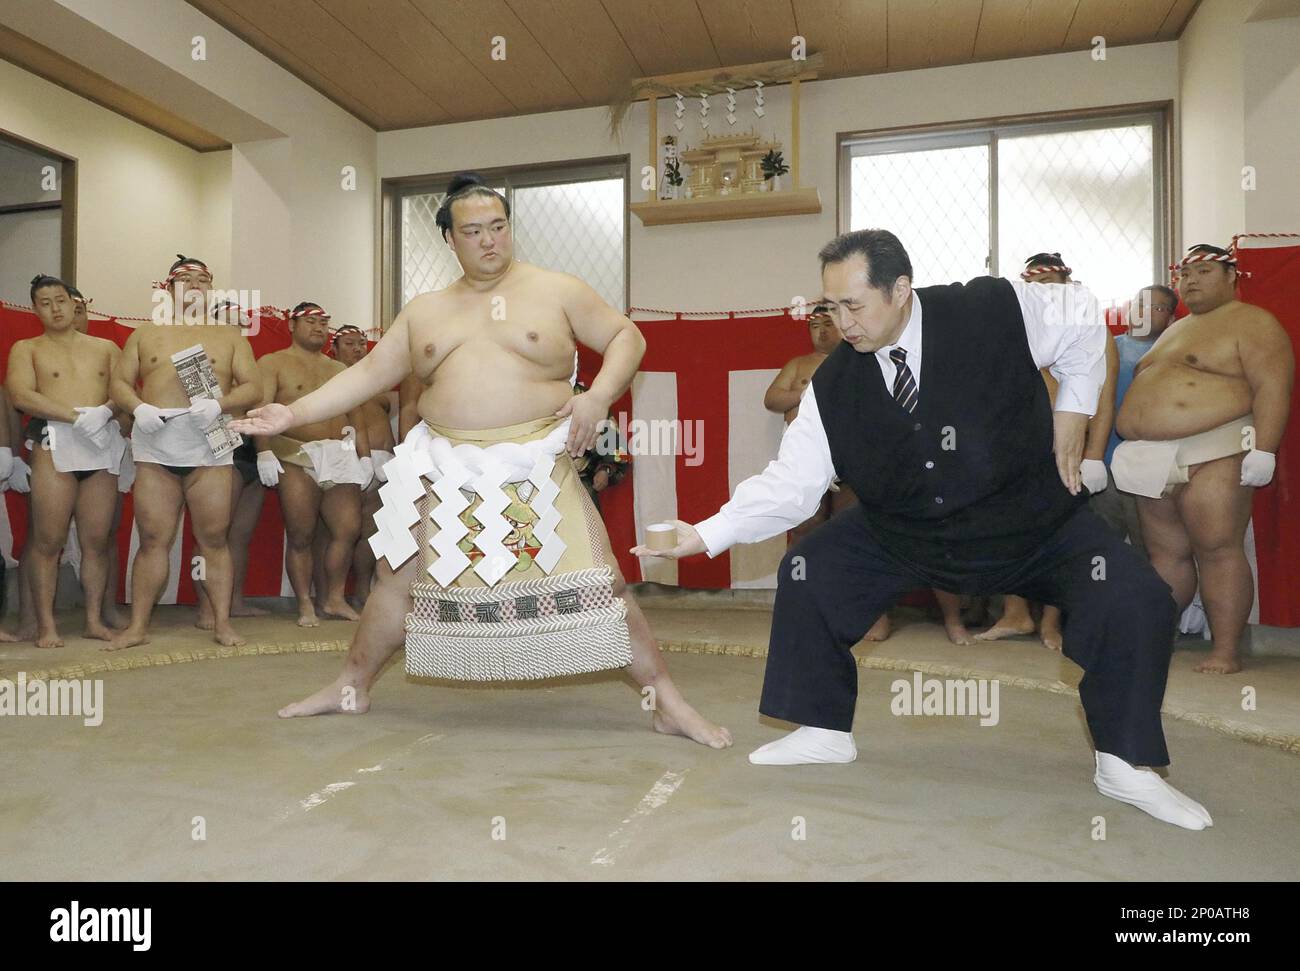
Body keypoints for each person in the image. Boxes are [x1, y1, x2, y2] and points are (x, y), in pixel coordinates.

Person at [635, 229, 1213, 830]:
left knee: (1137, 599)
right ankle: (823, 729)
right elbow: (791, 485)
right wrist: (703, 534)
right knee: (813, 568)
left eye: (853, 305)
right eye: (831, 307)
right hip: (906, 530)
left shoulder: (990, 306)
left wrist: (1074, 407)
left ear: (901, 290)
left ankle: (1123, 762)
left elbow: (1081, 312)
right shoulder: (833, 384)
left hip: (1032, 523)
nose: (842, 323)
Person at [232, 172, 730, 749]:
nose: (490, 240)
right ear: (450, 239)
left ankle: (665, 703)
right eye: (474, 231)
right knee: (395, 582)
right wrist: (290, 418)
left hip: (537, 460)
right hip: (442, 462)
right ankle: (352, 686)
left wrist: (597, 397)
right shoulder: (425, 310)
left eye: (499, 227)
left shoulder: (556, 289)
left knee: (605, 583)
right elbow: (368, 375)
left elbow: (627, 337)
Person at [1116, 244, 1294, 674]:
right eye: (1185, 274)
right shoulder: (1175, 330)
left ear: (1233, 276)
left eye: (1205, 271)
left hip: (1216, 445)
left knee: (1217, 548)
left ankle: (1226, 651)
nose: (1191, 280)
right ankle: (1160, 637)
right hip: (1150, 454)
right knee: (1165, 556)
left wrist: (1265, 449)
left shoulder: (1253, 322)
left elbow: (1273, 386)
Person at [767, 304, 972, 644]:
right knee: (804, 531)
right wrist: (806, 395)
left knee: (869, 536)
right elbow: (772, 398)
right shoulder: (798, 365)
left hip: (860, 459)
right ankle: (804, 607)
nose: (820, 331)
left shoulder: (866, 358)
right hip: (808, 460)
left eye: (827, 324)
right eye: (813, 325)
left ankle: (931, 618)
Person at [108, 255, 261, 650]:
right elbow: (120, 385)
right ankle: (138, 625)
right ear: (168, 288)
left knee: (214, 538)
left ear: (210, 289)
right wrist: (138, 407)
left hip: (211, 440)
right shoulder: (144, 334)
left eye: (202, 280)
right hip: (157, 443)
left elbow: (253, 388)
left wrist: (221, 403)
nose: (194, 285)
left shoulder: (230, 337)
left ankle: (222, 623)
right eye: (185, 279)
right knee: (153, 538)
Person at [977, 253, 1117, 651]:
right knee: (1008, 534)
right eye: (1034, 283)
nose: (1043, 290)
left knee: (1058, 535)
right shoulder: (1013, 327)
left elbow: (1104, 398)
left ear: (1066, 282)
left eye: (1050, 281)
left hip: (1066, 449)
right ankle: (1016, 614)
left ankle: (1051, 622)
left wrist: (1093, 455)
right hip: (1014, 448)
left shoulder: (1090, 325)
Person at [6, 275, 128, 647]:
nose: (55, 308)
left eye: (60, 300)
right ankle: (46, 626)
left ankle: (92, 620)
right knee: (48, 539)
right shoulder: (27, 348)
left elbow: (123, 391)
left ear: (74, 303)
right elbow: (21, 394)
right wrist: (76, 417)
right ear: (35, 309)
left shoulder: (105, 346)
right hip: (55, 440)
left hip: (100, 442)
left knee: (96, 539)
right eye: (45, 302)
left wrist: (105, 411)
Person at [254, 303, 372, 627]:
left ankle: (333, 598)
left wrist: (365, 458)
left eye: (323, 322)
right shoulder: (273, 363)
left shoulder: (340, 370)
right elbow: (262, 409)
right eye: (311, 322)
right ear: (292, 325)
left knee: (348, 529)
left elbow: (357, 417)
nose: (319, 328)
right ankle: (305, 602)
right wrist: (263, 452)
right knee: (301, 533)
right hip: (295, 453)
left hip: (339, 453)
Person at [1090, 285, 1180, 555]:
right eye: (1140, 304)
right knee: (1103, 546)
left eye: (1156, 307)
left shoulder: (1177, 352)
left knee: (1153, 550)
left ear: (1171, 319)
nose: (1144, 311)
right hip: (1103, 466)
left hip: (1155, 468)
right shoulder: (1104, 348)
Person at [196, 299, 269, 628]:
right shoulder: (203, 356)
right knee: (213, 536)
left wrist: (267, 449)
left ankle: (233, 602)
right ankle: (206, 608)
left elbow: (263, 401)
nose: (235, 327)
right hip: (218, 444)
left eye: (239, 321)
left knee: (239, 535)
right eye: (227, 321)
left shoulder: (250, 359)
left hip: (252, 446)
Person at [329, 324, 394, 609]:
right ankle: (331, 595)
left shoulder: (378, 381)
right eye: (350, 343)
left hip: (383, 459)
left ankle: (362, 590)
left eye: (361, 343)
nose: (357, 348)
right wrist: (359, 457)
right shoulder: (330, 378)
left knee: (372, 530)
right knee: (344, 530)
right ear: (334, 348)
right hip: (349, 457)